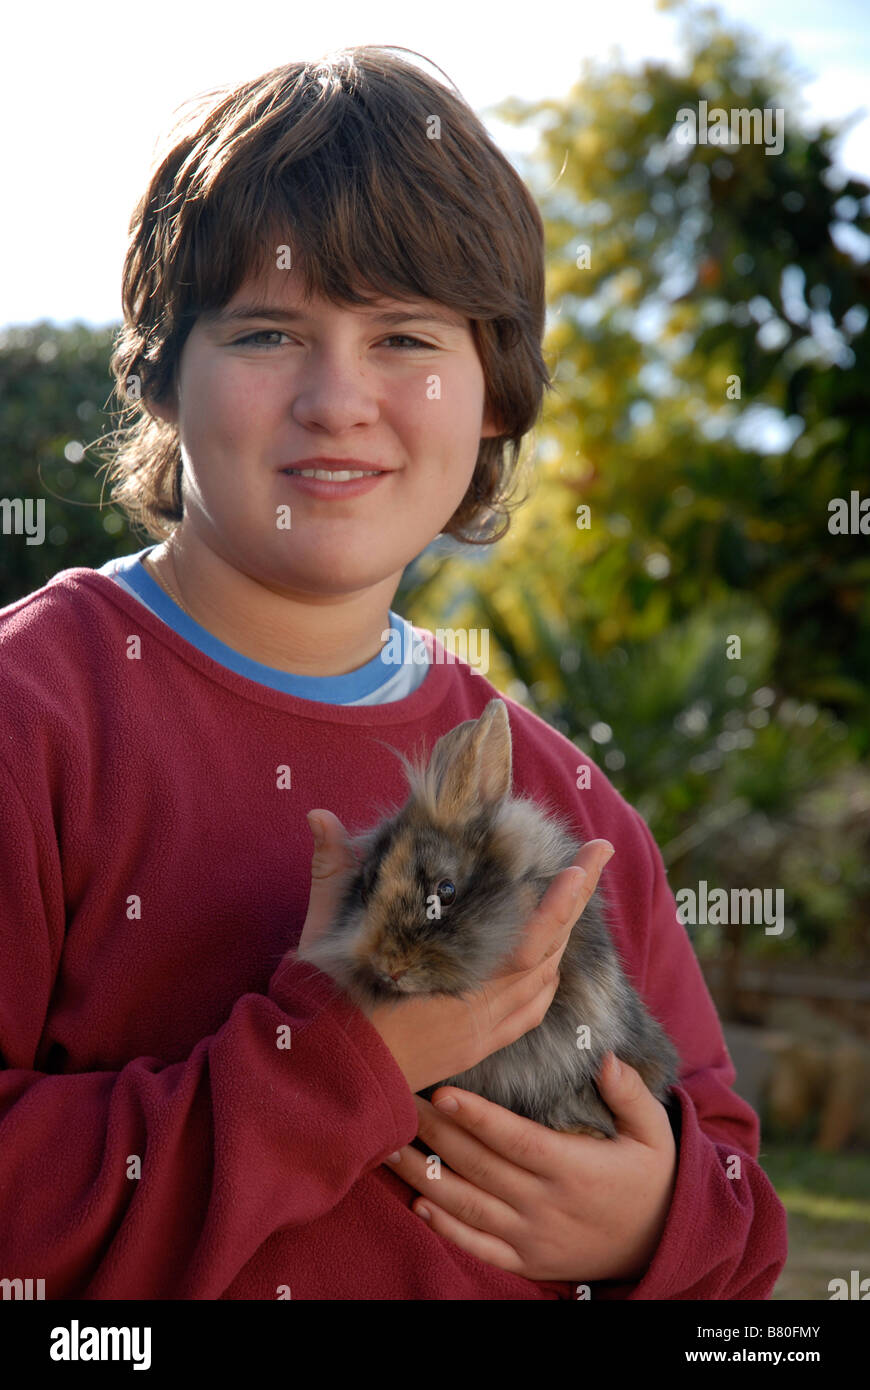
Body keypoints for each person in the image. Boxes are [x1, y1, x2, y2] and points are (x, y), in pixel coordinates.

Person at [0, 45, 787, 1300]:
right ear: (161, 370)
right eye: (269, 331)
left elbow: (736, 1203)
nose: (338, 398)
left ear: (493, 397)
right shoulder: (33, 720)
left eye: (406, 337)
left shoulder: (567, 811)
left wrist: (650, 1226)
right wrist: (333, 1064)